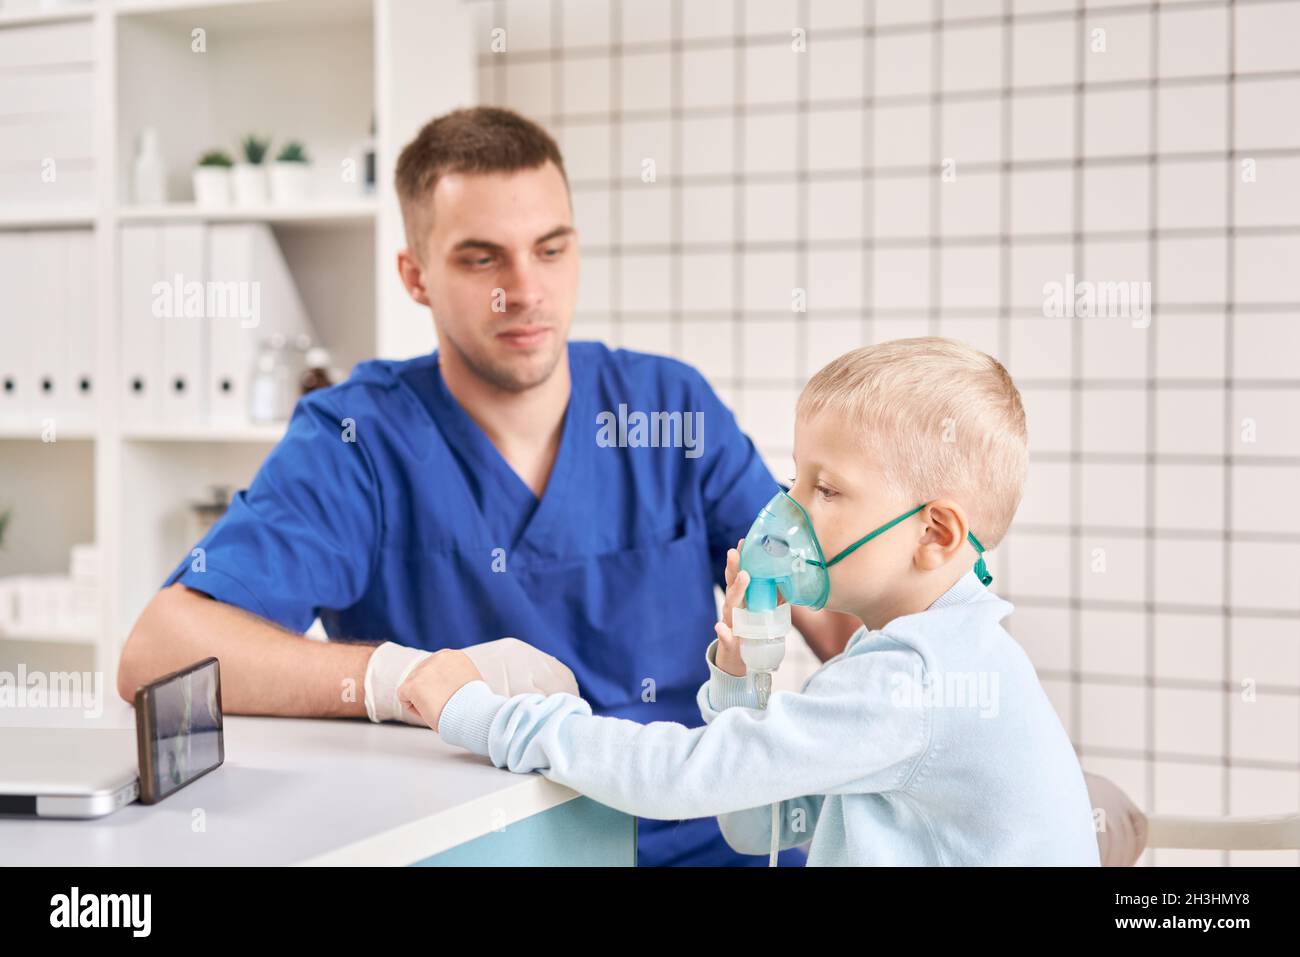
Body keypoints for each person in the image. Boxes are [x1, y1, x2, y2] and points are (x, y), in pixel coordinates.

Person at [115, 106, 860, 867]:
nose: (525, 290)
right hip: (487, 850)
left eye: (551, 248)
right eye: (481, 258)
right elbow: (158, 651)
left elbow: (842, 621)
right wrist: (403, 678)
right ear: (415, 275)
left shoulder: (669, 409)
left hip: (705, 844)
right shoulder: (357, 440)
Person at [400, 338, 1102, 866]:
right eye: (796, 479)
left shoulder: (913, 679)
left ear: (935, 533)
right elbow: (761, 826)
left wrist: (482, 714)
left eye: (826, 490)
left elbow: (678, 779)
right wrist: (740, 683)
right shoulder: (926, 649)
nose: (784, 508)